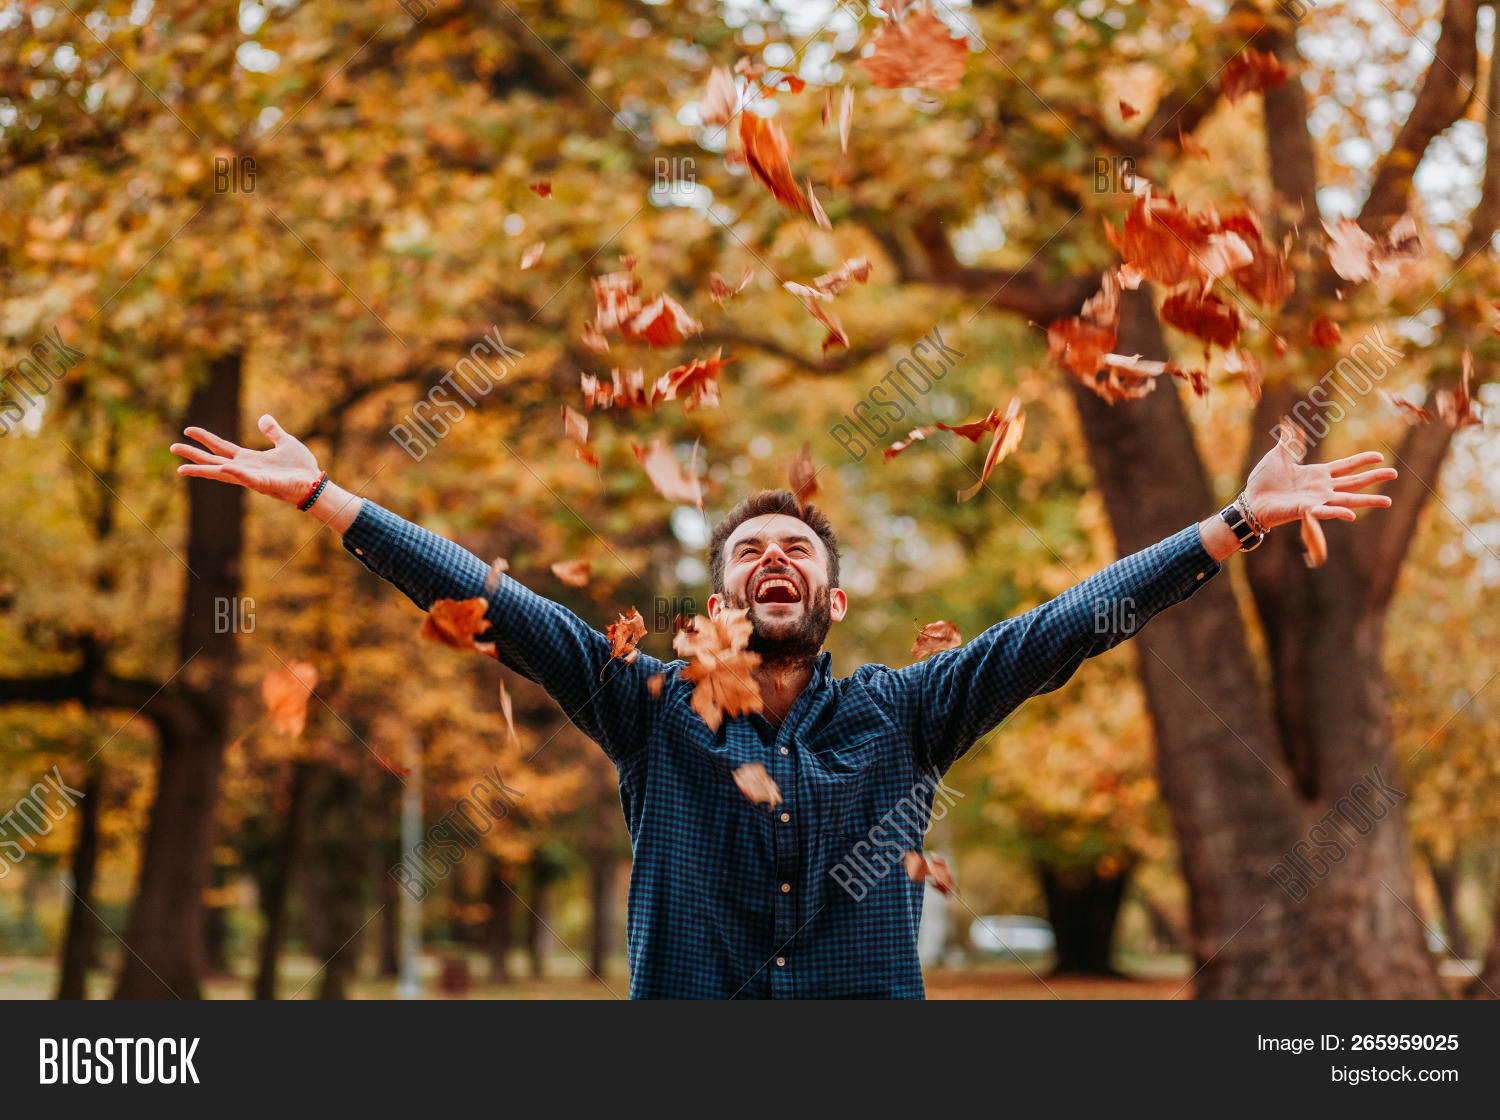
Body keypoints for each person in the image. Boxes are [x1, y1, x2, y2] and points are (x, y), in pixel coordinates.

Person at [171, 414, 1397, 998]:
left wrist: (1233, 525)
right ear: (716, 597)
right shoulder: (647, 706)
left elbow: (1061, 627)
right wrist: (331, 498)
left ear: (833, 596)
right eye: (749, 547)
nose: (773, 558)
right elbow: (502, 606)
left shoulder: (905, 714)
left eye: (794, 549)